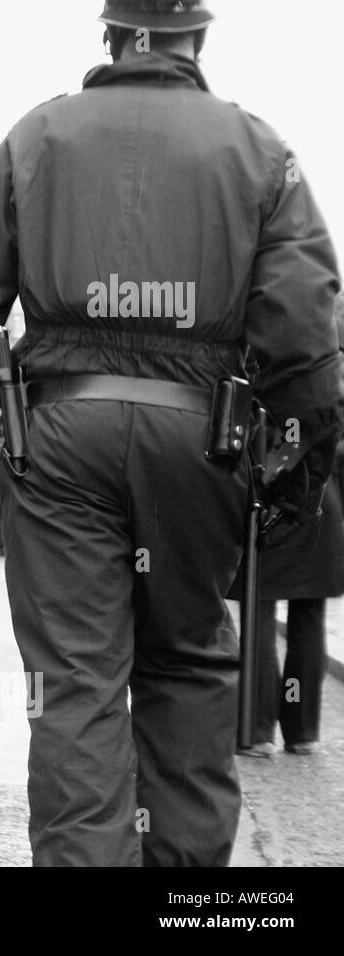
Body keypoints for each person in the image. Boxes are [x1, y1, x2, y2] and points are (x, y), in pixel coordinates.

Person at [0, 0, 341, 866]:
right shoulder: (261, 152)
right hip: (200, 438)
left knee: (73, 690)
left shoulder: (38, 138)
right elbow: (305, 335)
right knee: (185, 669)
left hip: (61, 435)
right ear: (200, 36)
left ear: (109, 33)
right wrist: (302, 469)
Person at [239, 294, 344, 758]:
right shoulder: (331, 372)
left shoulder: (257, 364)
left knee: (260, 612)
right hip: (322, 503)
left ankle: (258, 729)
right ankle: (300, 732)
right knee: (307, 618)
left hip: (269, 496)